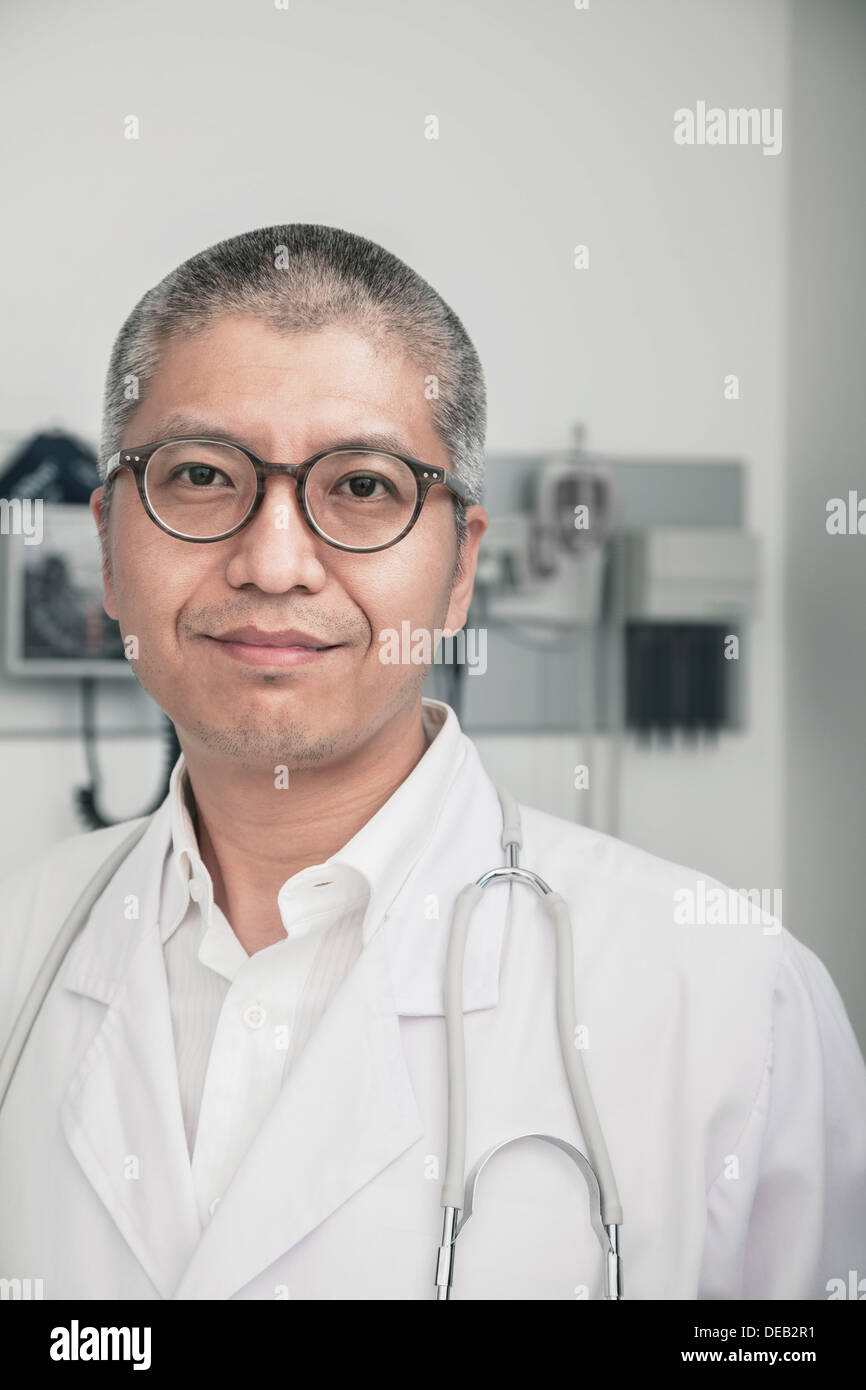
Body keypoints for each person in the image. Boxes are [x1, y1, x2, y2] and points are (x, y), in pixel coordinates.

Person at [1, 224, 864, 1302]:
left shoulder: (732, 1006)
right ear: (108, 551)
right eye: (200, 474)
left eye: (361, 487)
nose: (273, 562)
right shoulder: (20, 950)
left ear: (458, 568)